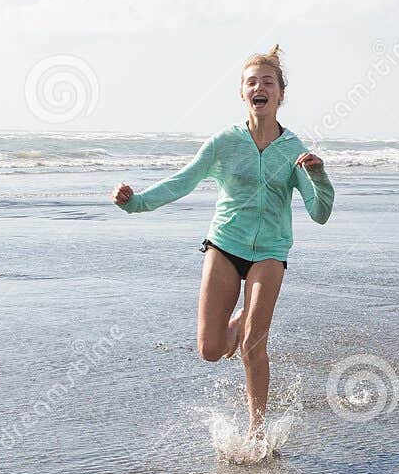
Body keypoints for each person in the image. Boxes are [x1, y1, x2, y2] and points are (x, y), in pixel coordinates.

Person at [112, 45, 333, 433]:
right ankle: (245, 316)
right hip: (225, 246)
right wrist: (136, 203)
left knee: (252, 345)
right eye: (252, 82)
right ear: (242, 92)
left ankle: (256, 432)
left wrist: (318, 175)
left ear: (281, 94)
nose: (259, 87)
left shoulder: (294, 150)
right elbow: (183, 181)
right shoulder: (223, 143)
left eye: (268, 82)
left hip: (270, 252)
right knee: (211, 351)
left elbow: (320, 213)